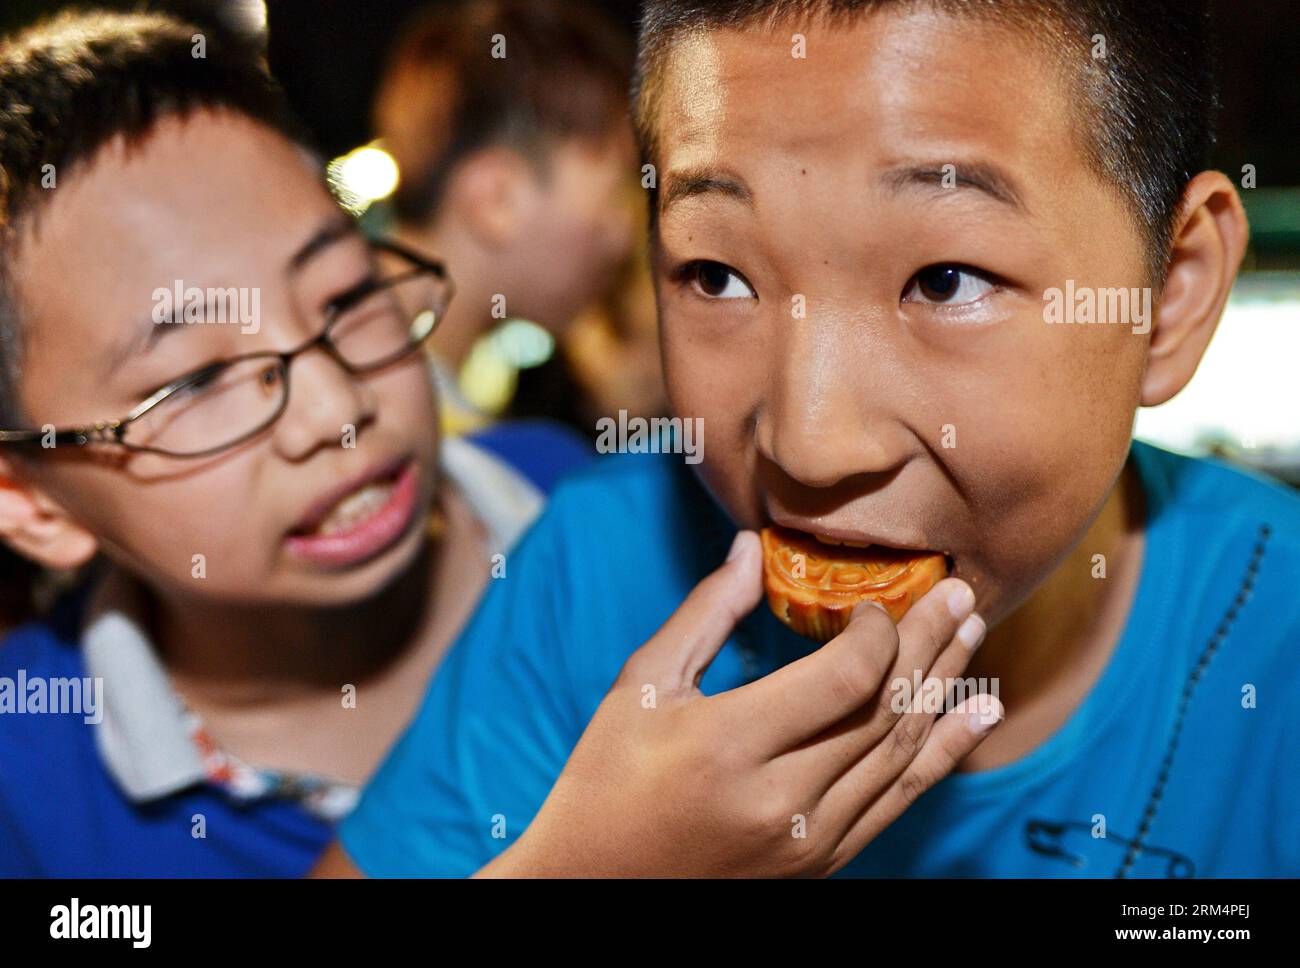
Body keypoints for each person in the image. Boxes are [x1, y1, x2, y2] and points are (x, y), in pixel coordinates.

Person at [325, 0, 1298, 877]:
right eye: (717, 276)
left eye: (945, 278)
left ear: (1168, 296)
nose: (809, 444)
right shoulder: (593, 570)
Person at [0, 10, 586, 876]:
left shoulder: (600, 509)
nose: (336, 407)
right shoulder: (27, 789)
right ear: (33, 503)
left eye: (346, 296)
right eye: (195, 381)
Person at [373, 0, 639, 437]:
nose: (623, 238)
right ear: (495, 199)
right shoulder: (403, 434)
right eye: (615, 195)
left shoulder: (395, 399)